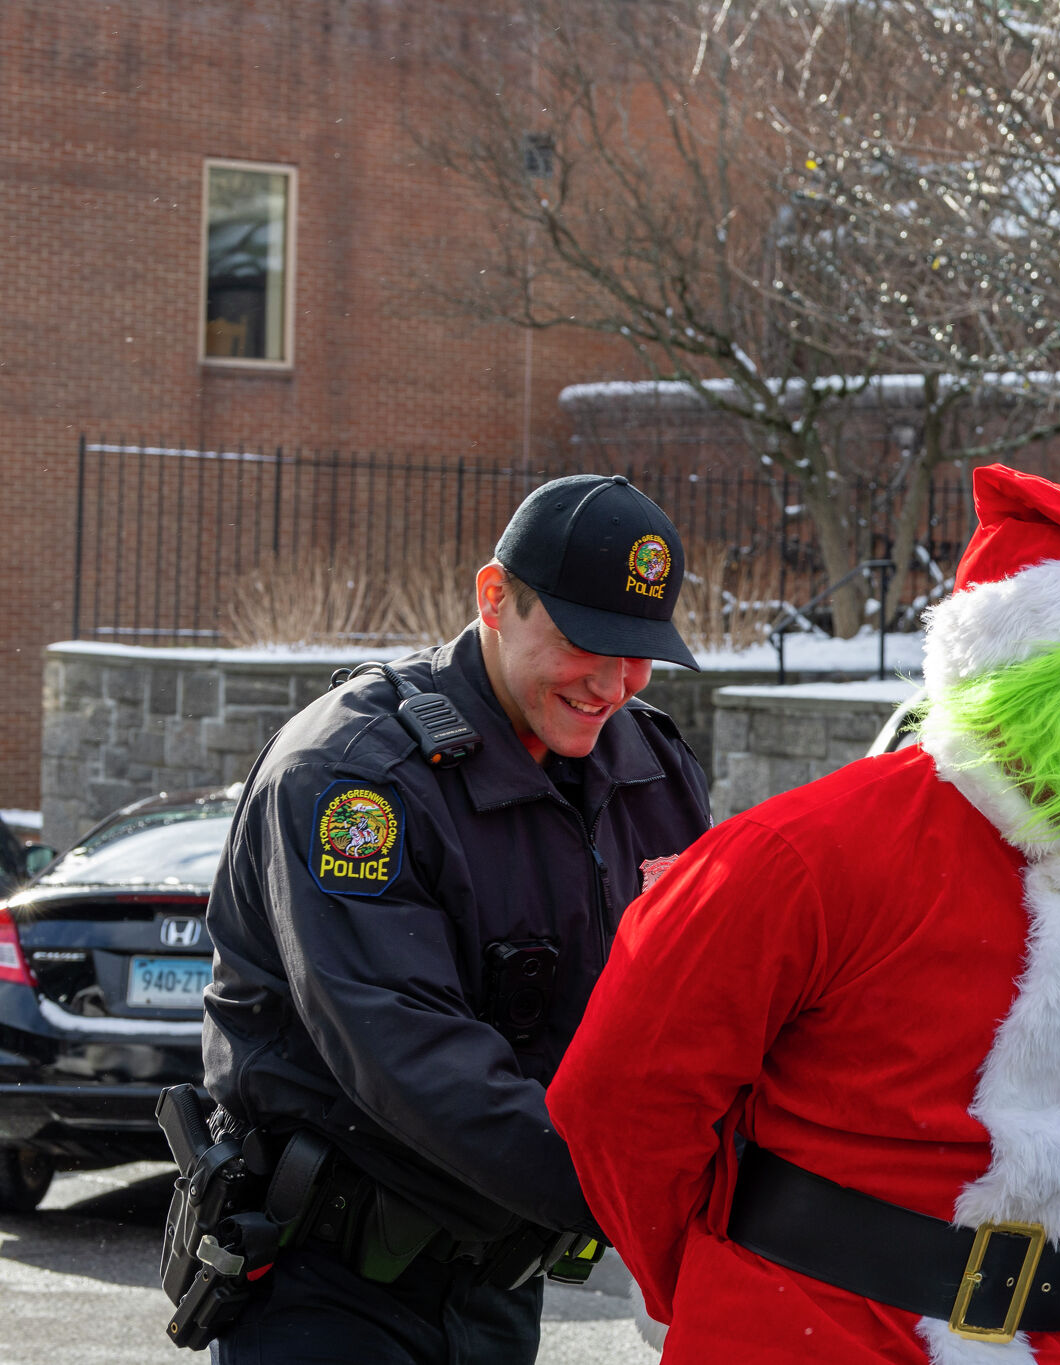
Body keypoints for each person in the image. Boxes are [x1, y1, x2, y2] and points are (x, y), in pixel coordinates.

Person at [547, 466, 1060, 1364]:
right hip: (798, 1336)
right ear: (1023, 683)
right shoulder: (805, 854)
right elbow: (624, 1096)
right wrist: (720, 1281)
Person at [201, 474, 714, 1362]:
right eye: (585, 641)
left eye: (640, 652)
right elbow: (408, 1054)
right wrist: (646, 1192)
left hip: (501, 1277)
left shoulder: (651, 773)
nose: (613, 682)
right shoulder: (354, 778)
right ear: (495, 598)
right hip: (329, 1290)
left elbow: (706, 1007)